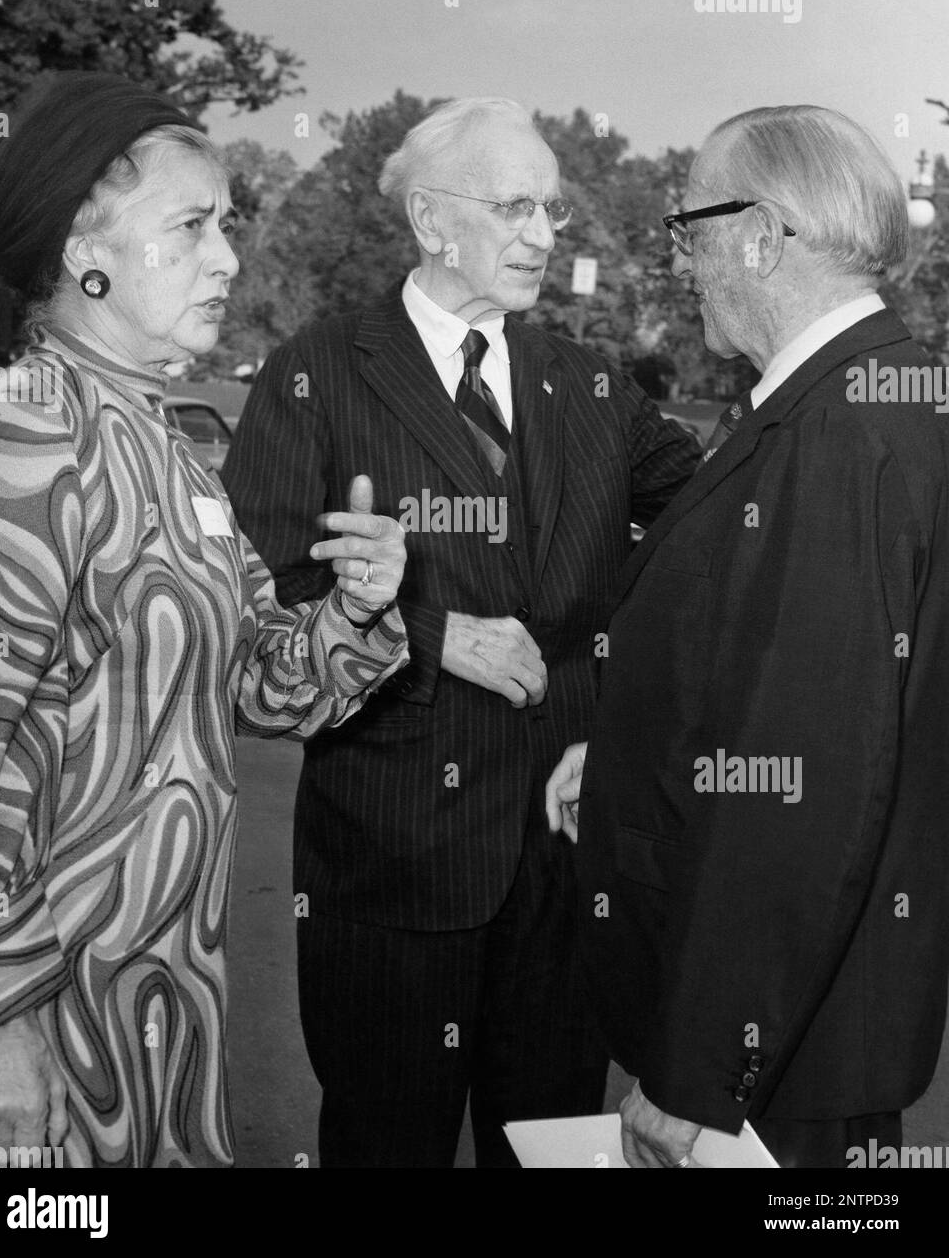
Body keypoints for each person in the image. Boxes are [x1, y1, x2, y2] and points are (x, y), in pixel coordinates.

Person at [221, 96, 700, 1168]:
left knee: (556, 1147)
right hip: (392, 868)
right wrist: (435, 636)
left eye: (553, 209)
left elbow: (713, 513)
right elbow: (266, 594)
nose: (543, 233)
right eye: (515, 206)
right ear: (434, 223)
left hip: (563, 867)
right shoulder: (318, 373)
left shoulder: (586, 381)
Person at [0, 71, 409, 1169]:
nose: (228, 259)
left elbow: (261, 678)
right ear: (81, 248)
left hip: (164, 995)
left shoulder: (163, 446)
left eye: (228, 225)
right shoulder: (26, 430)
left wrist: (354, 608)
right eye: (193, 225)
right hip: (49, 1018)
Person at [549, 104, 949, 1169]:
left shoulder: (833, 436)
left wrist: (697, 1066)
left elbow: (805, 783)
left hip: (773, 1064)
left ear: (761, 235)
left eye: (687, 229)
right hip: (812, 1027)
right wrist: (622, 763)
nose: (682, 262)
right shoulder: (867, 401)